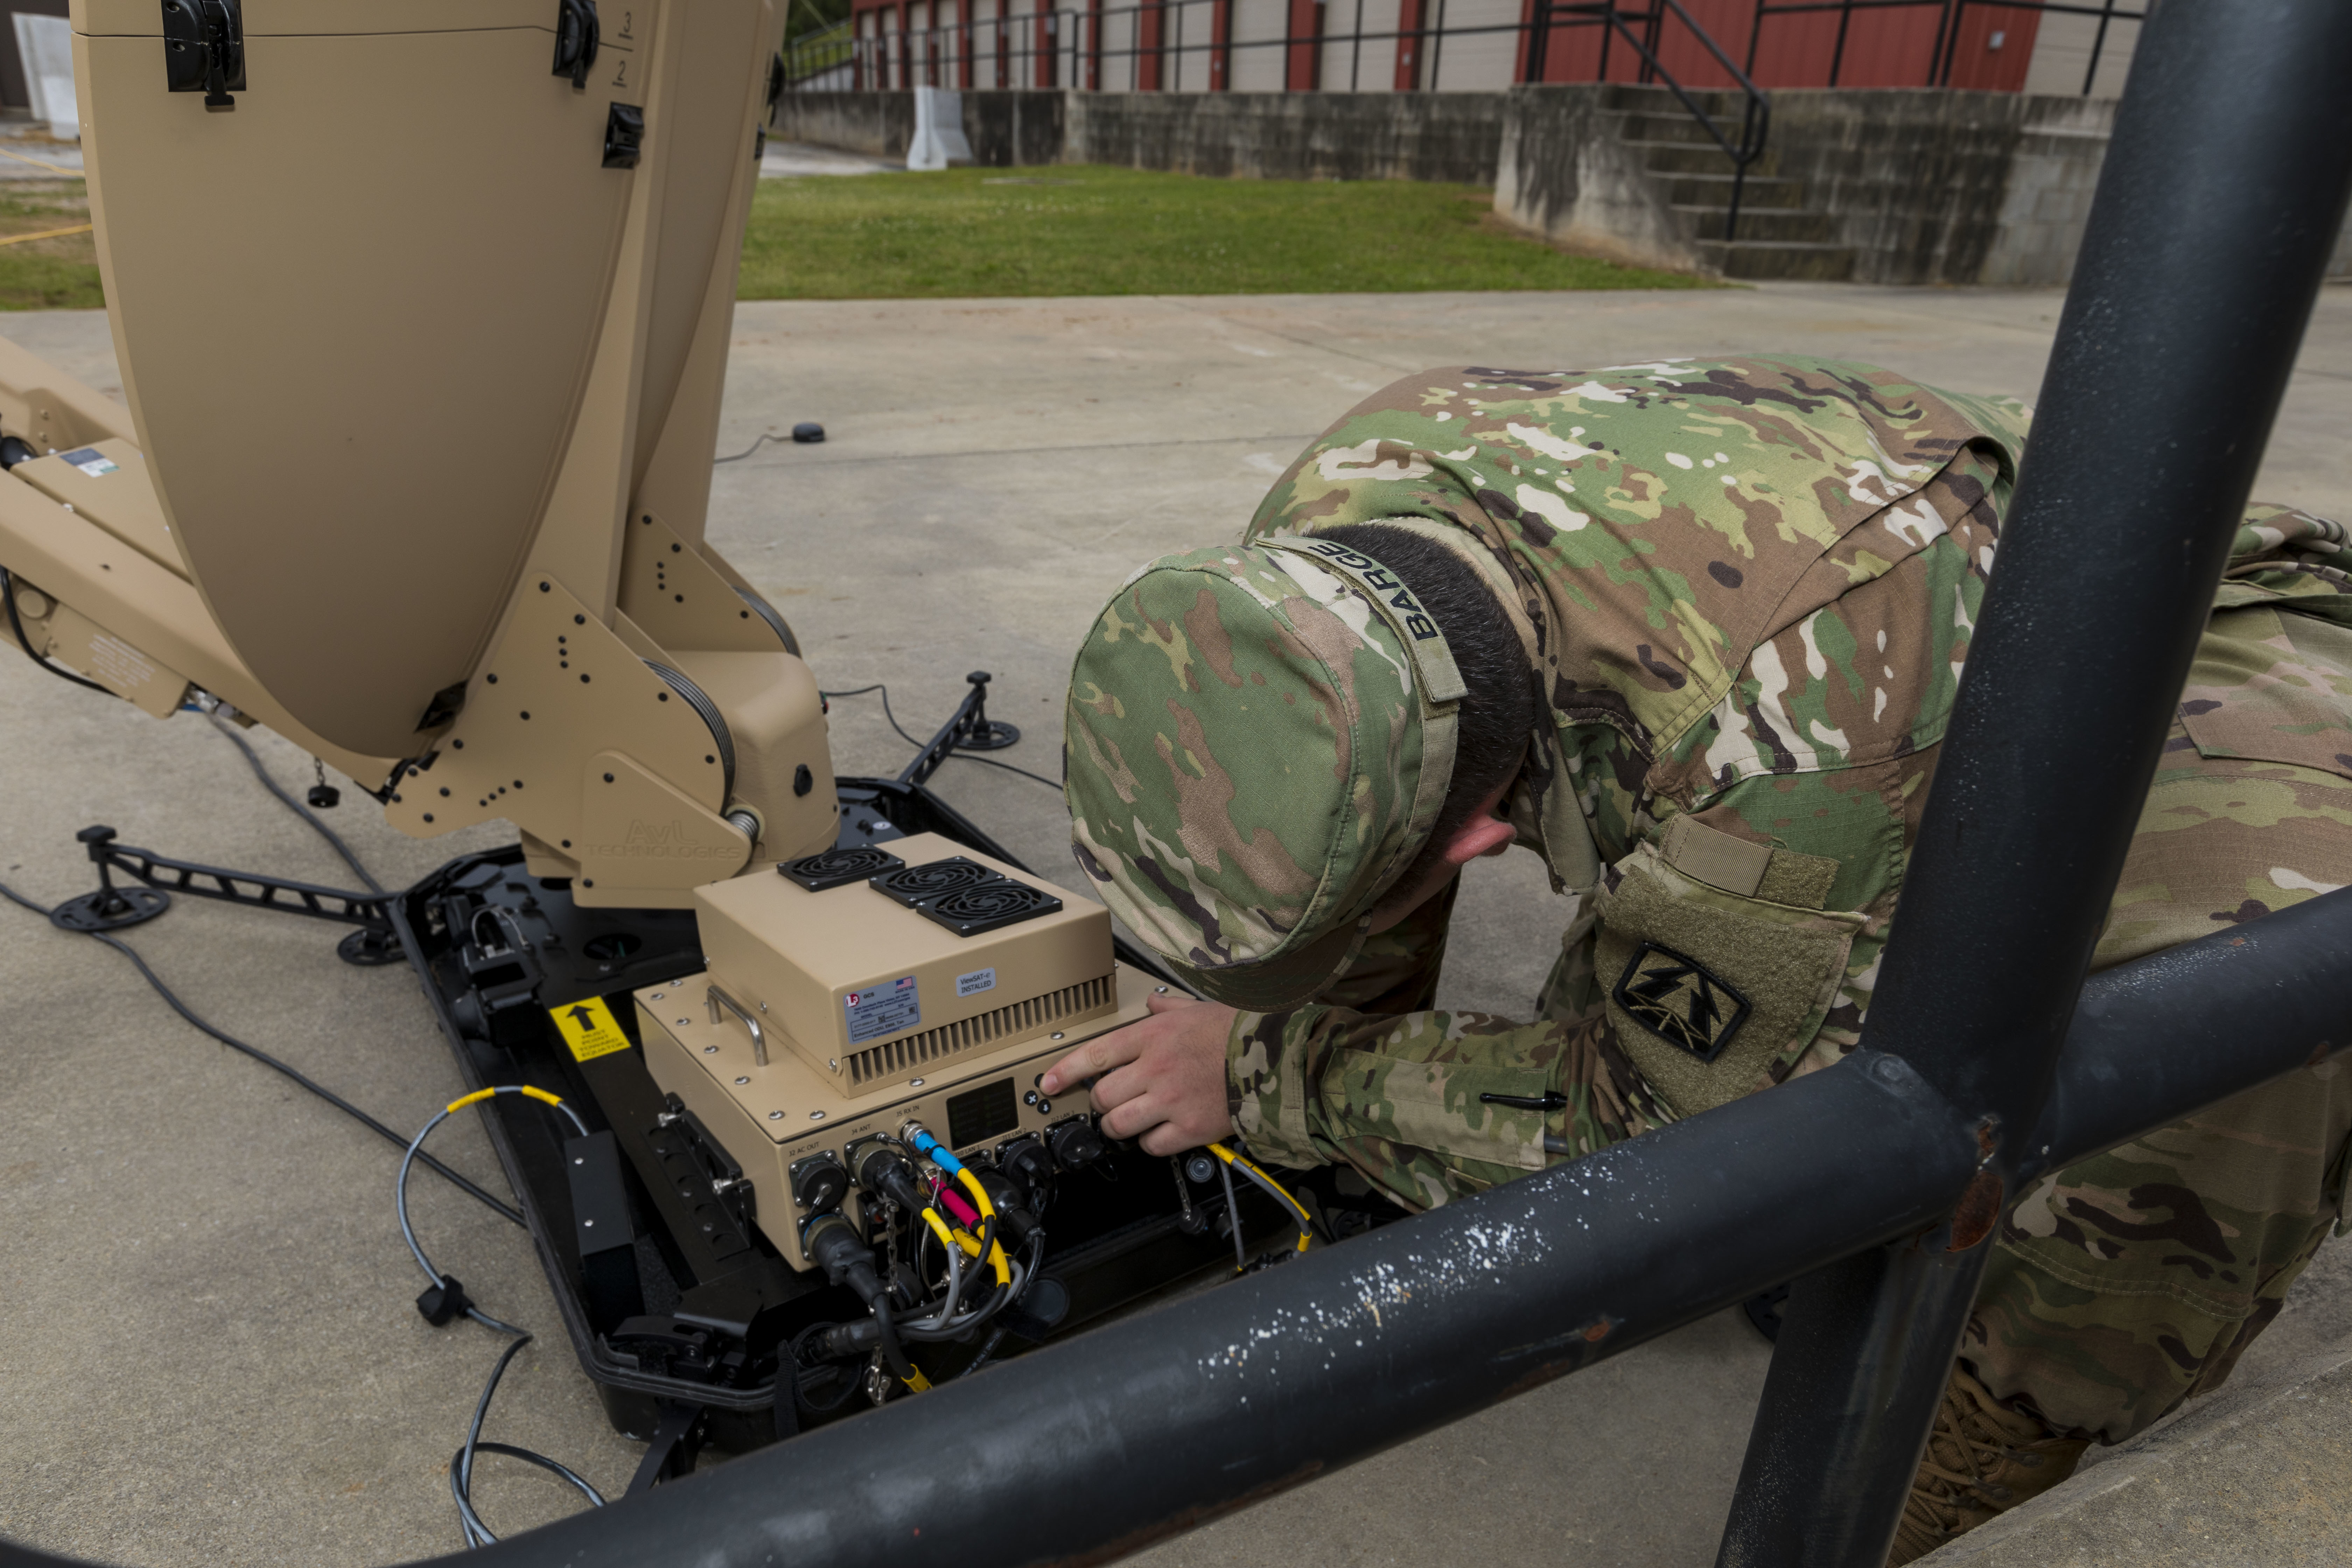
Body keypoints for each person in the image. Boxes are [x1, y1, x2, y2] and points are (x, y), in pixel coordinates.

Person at [1040, 357, 2352, 1562]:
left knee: (2190, 1073)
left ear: (1482, 839)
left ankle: (1987, 1435)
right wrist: (1307, 1049)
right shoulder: (1322, 540)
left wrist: (1286, 1079)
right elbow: (1389, 807)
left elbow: (1643, 1122)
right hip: (1885, 626)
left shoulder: (1775, 768)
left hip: (2226, 673)